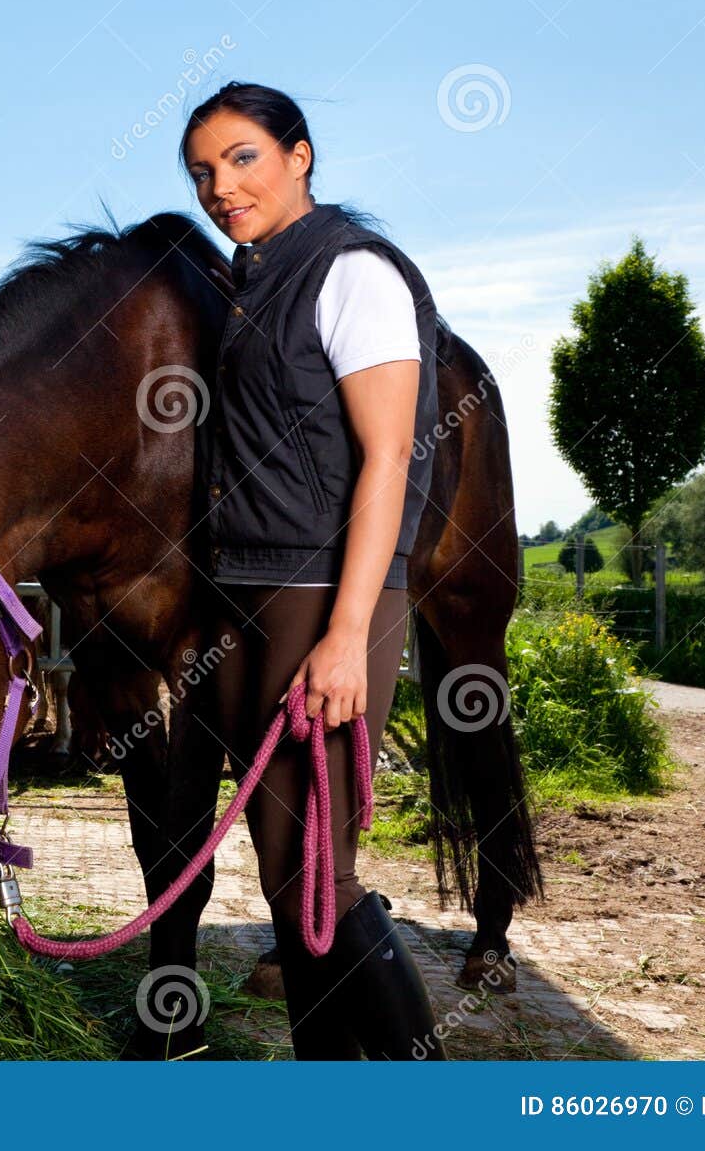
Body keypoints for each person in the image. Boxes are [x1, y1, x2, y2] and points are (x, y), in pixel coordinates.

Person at [180, 81, 446, 1060]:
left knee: (313, 877)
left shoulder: (353, 272)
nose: (220, 185)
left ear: (298, 155)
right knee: (289, 876)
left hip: (321, 593)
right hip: (248, 589)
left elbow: (388, 457)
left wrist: (344, 633)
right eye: (202, 171)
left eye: (241, 157)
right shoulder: (250, 286)